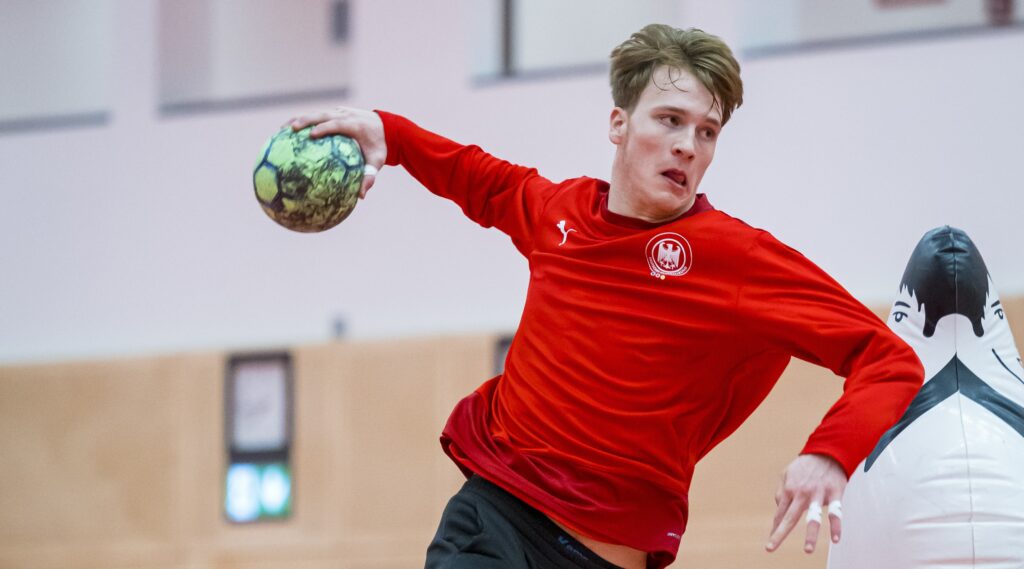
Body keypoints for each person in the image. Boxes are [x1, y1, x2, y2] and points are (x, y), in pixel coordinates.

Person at [288, 23, 923, 569]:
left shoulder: (735, 257)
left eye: (707, 133)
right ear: (618, 124)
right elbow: (474, 176)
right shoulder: (560, 212)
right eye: (670, 120)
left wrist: (829, 455)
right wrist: (388, 135)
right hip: (494, 518)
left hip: (604, 554)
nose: (688, 145)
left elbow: (889, 359)